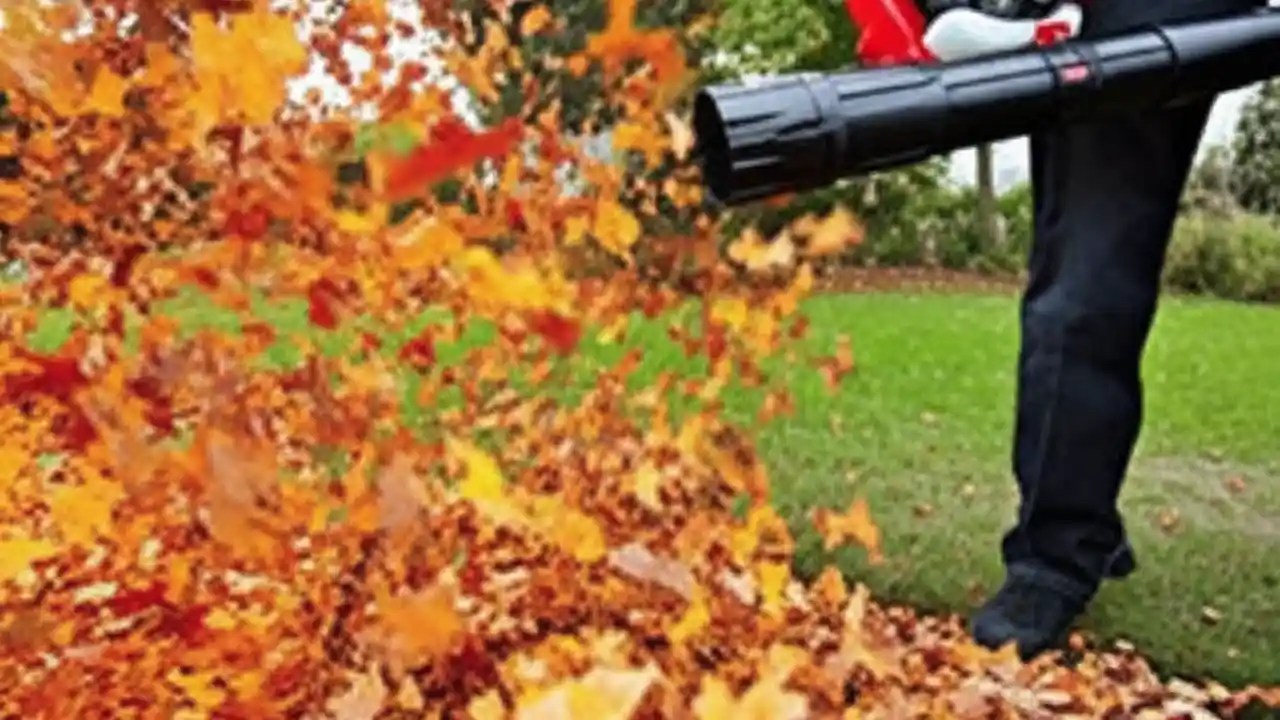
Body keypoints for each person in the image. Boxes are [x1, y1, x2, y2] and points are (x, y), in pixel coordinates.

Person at [917, 0, 1263, 659]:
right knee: (1070, 260)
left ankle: (1061, 547)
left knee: (1085, 272)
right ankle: (1073, 526)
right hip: (1091, 17)